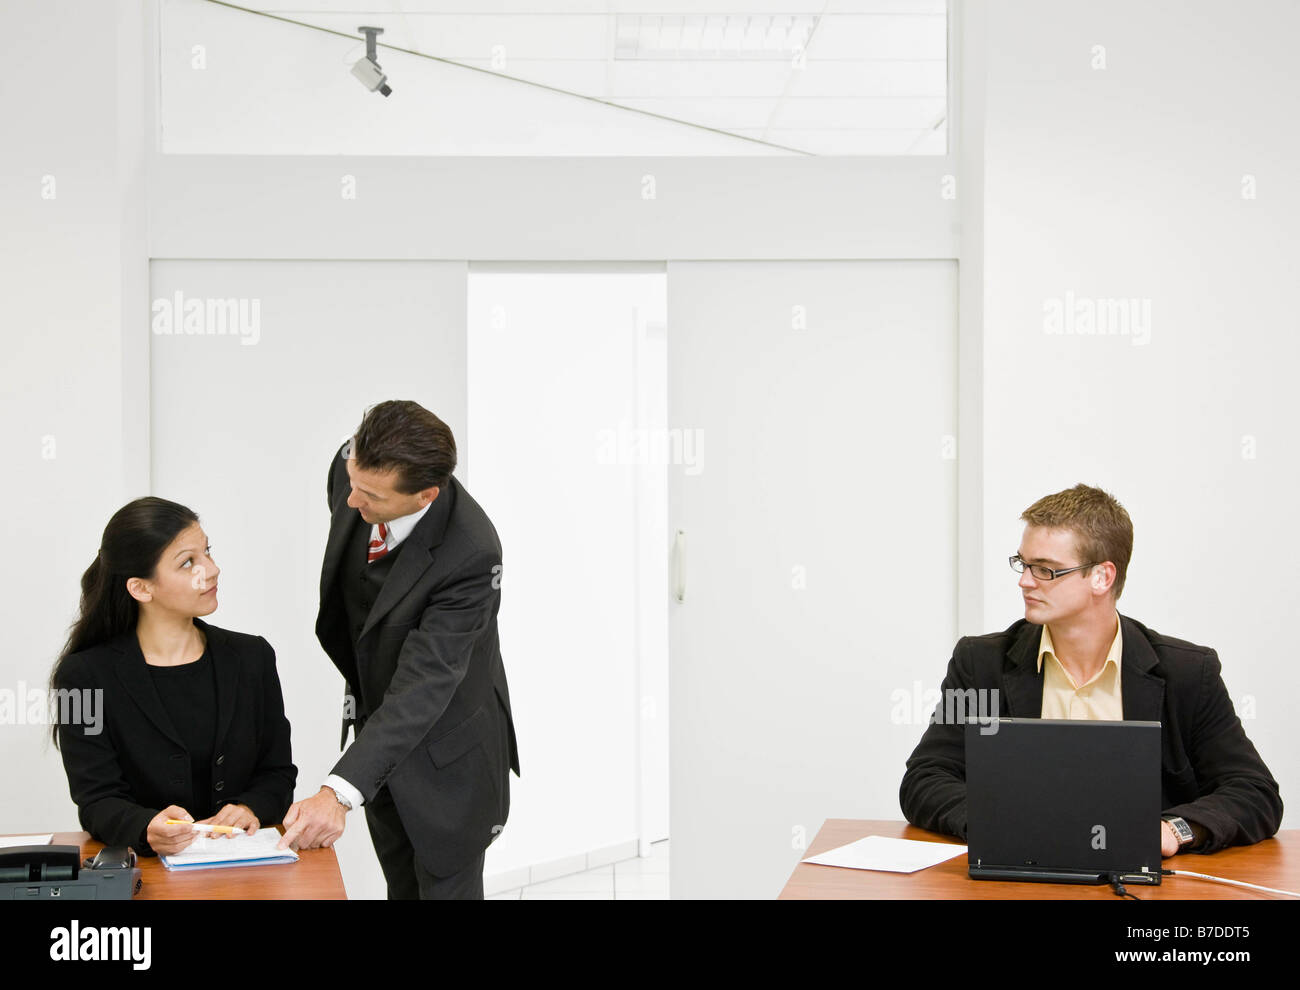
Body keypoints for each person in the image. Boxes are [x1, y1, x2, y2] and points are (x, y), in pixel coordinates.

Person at [900, 483, 1282, 857]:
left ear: (1102, 577)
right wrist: (1005, 822)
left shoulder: (1188, 673)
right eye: (1023, 563)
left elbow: (1253, 790)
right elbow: (924, 778)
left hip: (1140, 881)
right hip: (1020, 871)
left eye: (1045, 569)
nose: (1024, 581)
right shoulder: (979, 663)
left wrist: (1173, 830)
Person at [279, 399, 520, 900]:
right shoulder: (351, 470)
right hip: (377, 747)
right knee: (401, 888)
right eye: (352, 481)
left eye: (370, 495)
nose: (351, 501)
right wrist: (360, 774)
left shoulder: (472, 554)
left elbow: (424, 685)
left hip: (449, 759)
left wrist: (337, 793)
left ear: (425, 495)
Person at [51, 497, 296, 857]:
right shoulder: (81, 676)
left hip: (244, 864)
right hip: (147, 869)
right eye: (188, 563)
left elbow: (278, 773)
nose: (211, 569)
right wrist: (145, 827)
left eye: (207, 552)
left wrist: (250, 807)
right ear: (141, 588)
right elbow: (96, 800)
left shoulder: (253, 657)